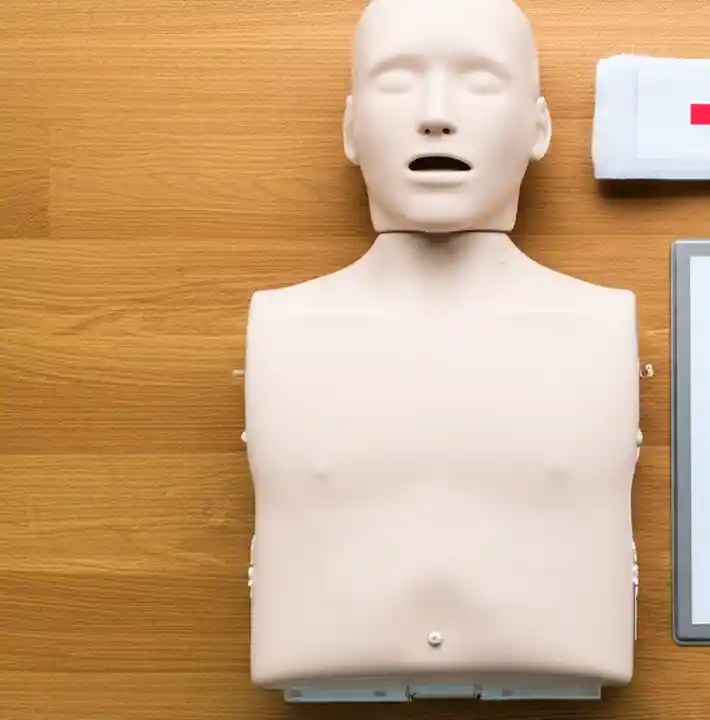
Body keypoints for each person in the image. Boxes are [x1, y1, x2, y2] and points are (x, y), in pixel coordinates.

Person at [243, 0, 639, 697]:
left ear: (540, 127)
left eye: (480, 82)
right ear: (350, 128)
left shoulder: (600, 322)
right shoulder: (284, 323)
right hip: (313, 668)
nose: (436, 114)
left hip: (571, 667)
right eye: (396, 81)